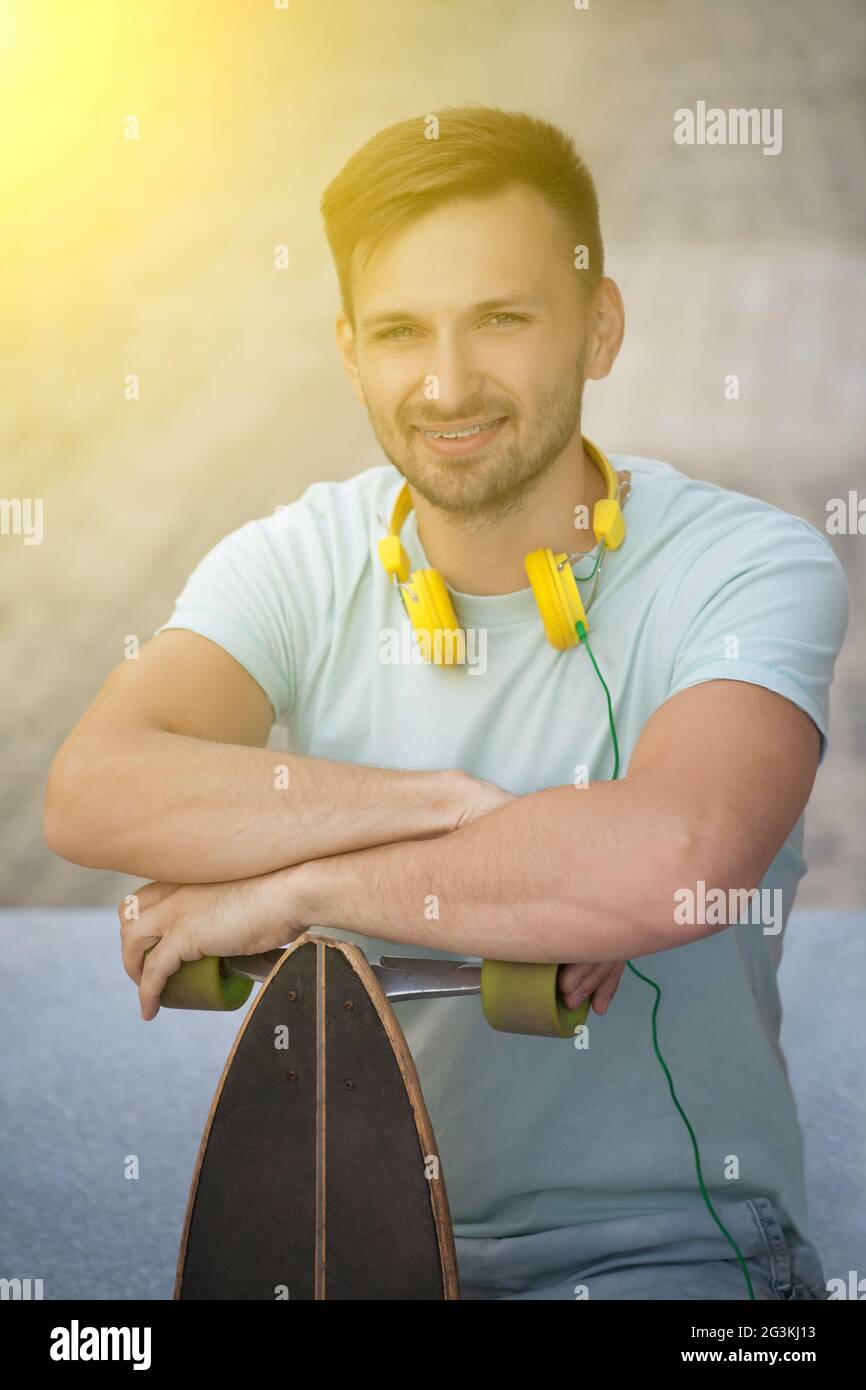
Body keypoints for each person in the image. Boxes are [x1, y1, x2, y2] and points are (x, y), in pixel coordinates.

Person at [45, 105, 848, 1301]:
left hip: (666, 1253)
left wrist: (293, 888)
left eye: (502, 320)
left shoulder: (749, 566)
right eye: (399, 331)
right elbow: (93, 788)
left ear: (600, 327)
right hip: (345, 1237)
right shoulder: (297, 555)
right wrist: (448, 809)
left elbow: (673, 861)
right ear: (349, 350)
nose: (447, 382)